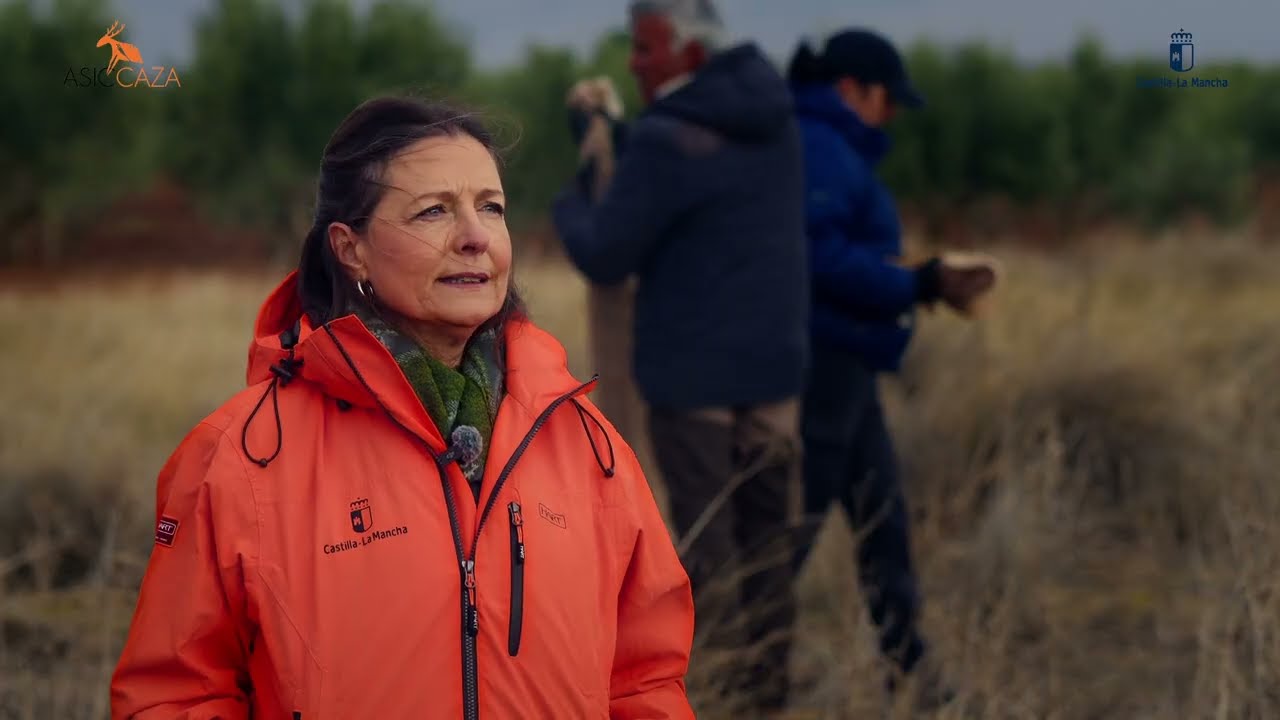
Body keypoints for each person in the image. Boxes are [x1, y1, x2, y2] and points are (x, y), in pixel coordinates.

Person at [109, 95, 696, 719]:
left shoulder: (587, 445)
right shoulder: (240, 459)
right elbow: (175, 696)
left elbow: (644, 682)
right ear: (350, 247)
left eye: (491, 208)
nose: (474, 238)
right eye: (433, 211)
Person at [552, 0, 809, 714]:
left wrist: (575, 196)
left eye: (645, 47)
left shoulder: (669, 138)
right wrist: (628, 138)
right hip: (774, 374)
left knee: (707, 549)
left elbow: (606, 251)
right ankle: (767, 696)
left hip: (695, 379)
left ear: (689, 55)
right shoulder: (773, 117)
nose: (634, 62)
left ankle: (720, 694)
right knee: (768, 547)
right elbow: (697, 182)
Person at [785, 29, 995, 709]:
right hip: (824, 363)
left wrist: (920, 284)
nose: (893, 115)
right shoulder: (818, 147)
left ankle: (912, 677)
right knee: (793, 530)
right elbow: (818, 259)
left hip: (852, 363)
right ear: (852, 89)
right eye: (888, 100)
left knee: (884, 522)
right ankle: (734, 664)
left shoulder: (834, 146)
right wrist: (919, 284)